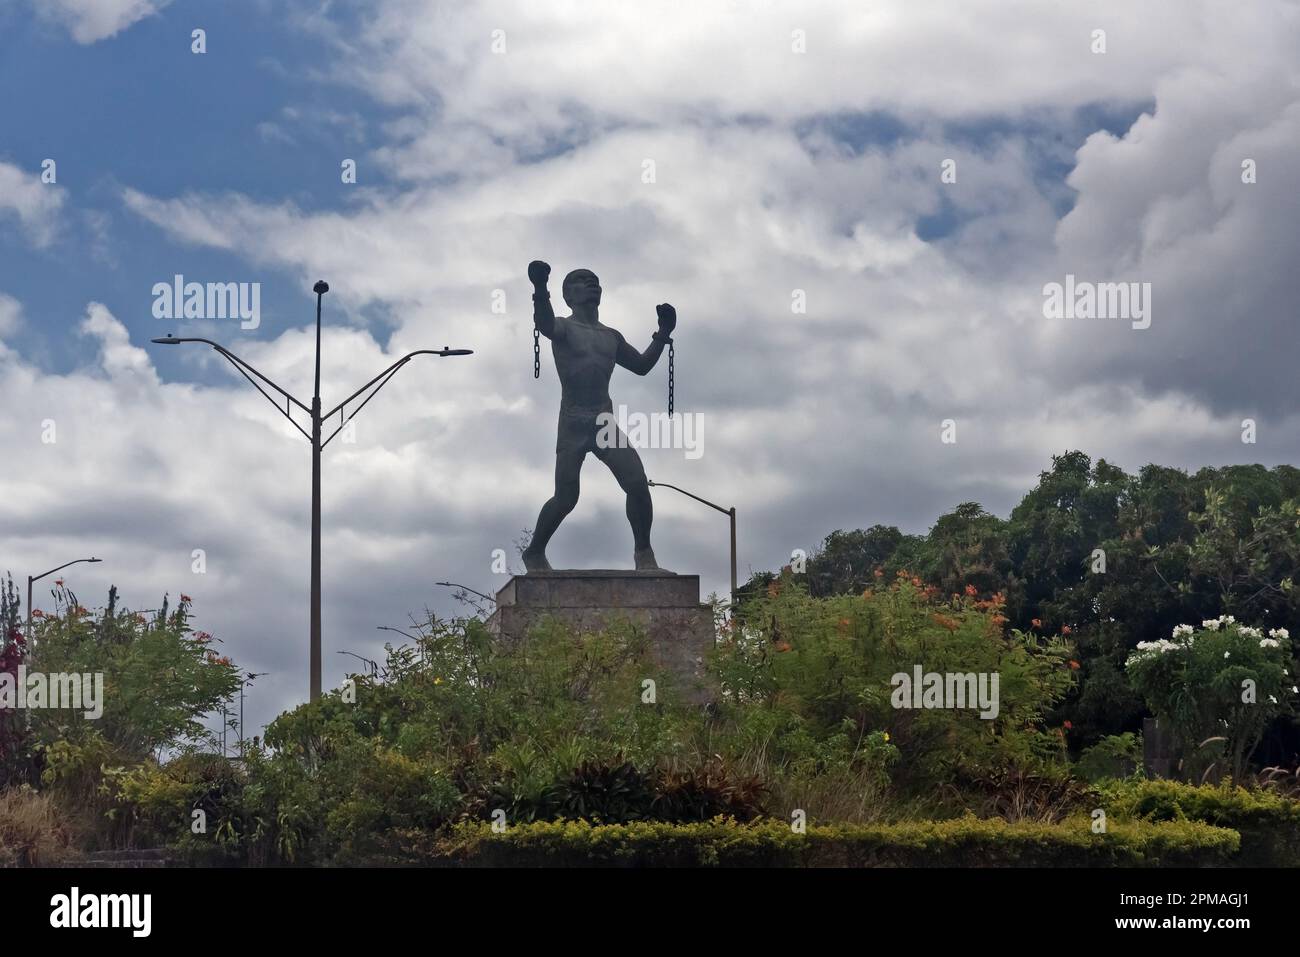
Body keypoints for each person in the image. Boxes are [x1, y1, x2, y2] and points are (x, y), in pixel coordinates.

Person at [521, 260, 676, 572]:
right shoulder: (564, 326)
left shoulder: (611, 337)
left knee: (637, 484)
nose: (591, 284)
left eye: (595, 280)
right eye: (581, 280)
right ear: (568, 295)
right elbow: (545, 324)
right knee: (566, 498)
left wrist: (662, 333)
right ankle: (534, 551)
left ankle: (644, 554)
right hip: (573, 422)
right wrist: (539, 288)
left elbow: (642, 366)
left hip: (603, 422)